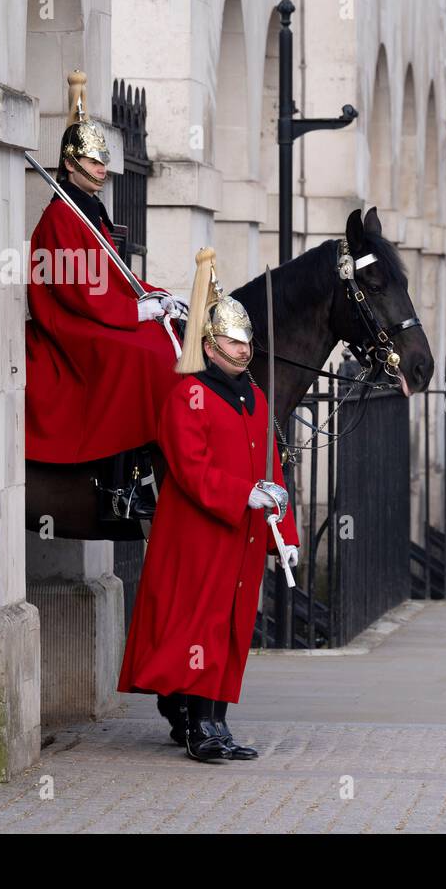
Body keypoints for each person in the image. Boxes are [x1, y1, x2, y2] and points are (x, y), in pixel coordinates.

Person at [119, 247, 300, 762]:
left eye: (246, 343)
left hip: (242, 534)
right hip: (201, 532)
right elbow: (191, 468)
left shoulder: (256, 397)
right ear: (209, 343)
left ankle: (217, 720)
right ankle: (199, 726)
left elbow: (272, 469)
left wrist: (283, 531)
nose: (242, 351)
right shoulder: (188, 395)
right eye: (231, 342)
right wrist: (243, 493)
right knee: (201, 623)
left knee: (232, 625)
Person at [26, 71, 186, 517]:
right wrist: (134, 312)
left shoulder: (89, 209)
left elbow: (113, 276)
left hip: (96, 310)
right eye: (95, 163)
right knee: (140, 355)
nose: (103, 170)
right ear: (71, 164)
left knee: (164, 338)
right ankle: (124, 479)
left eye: (103, 163)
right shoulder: (60, 217)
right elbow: (79, 291)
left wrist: (158, 296)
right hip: (68, 322)